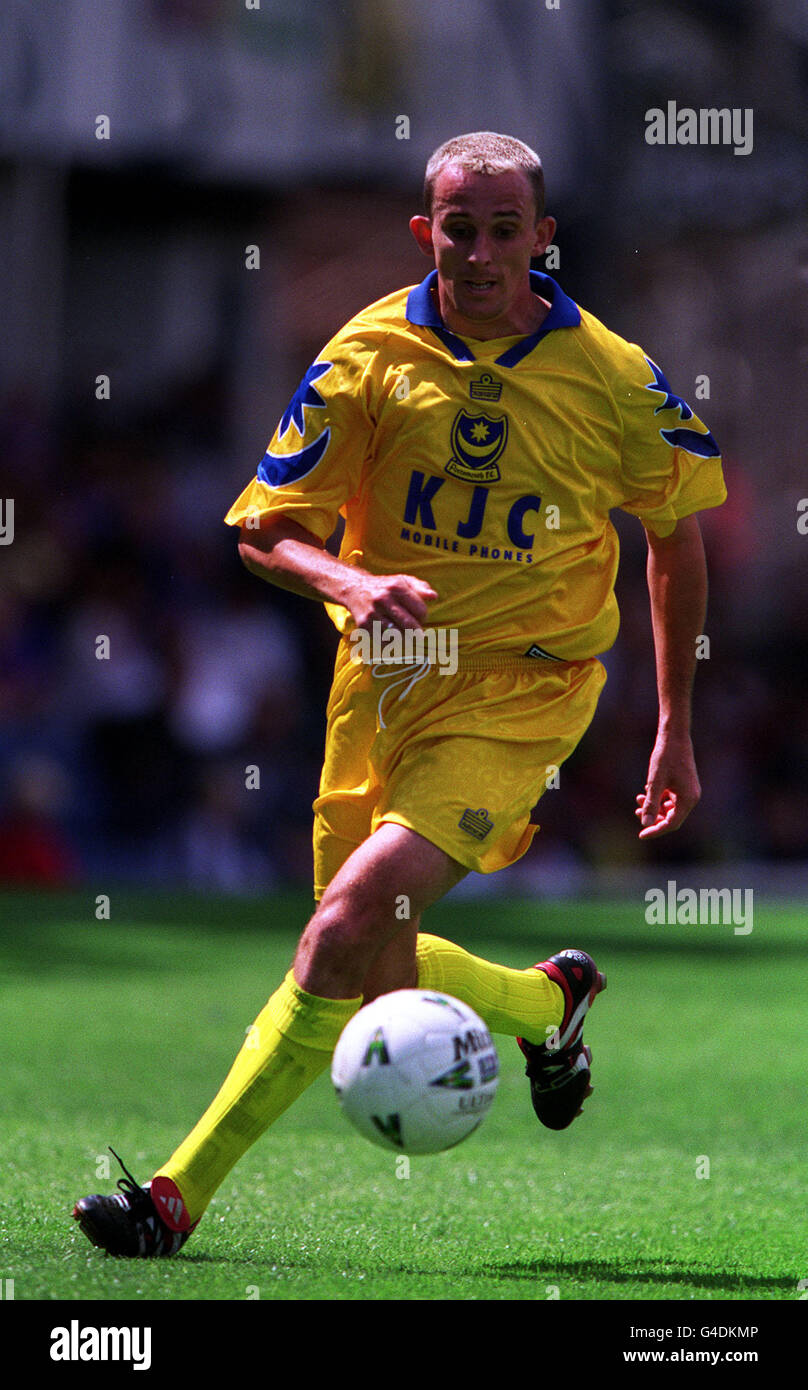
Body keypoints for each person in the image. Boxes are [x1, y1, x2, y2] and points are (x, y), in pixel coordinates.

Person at [72, 131, 725, 1257]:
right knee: (373, 965)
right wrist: (349, 577)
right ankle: (544, 1004)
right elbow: (265, 533)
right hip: (380, 681)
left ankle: (172, 1196)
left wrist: (673, 720)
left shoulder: (615, 376)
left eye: (502, 229)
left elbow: (674, 538)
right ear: (426, 232)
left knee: (347, 918)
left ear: (541, 237)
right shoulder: (365, 354)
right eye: (456, 229)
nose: (478, 251)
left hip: (525, 688)